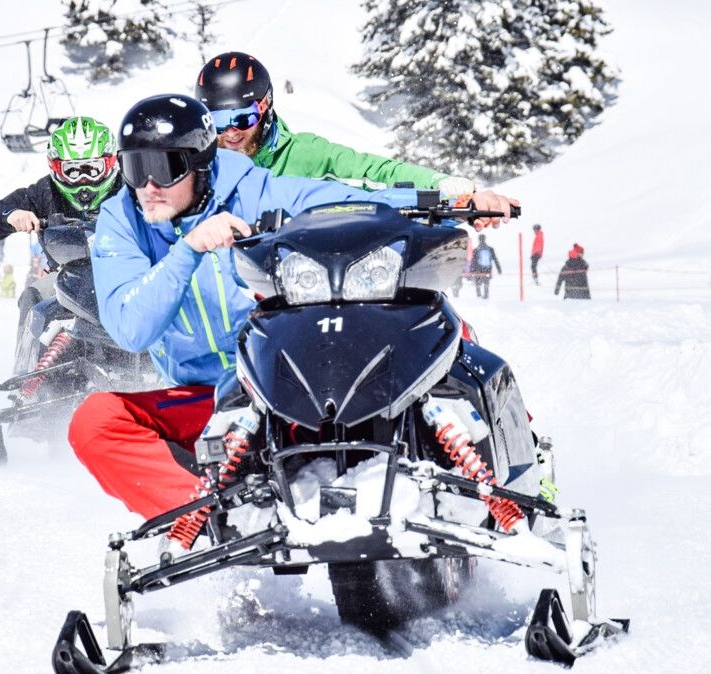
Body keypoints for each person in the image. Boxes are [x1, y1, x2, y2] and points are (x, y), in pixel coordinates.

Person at [67, 94, 517, 521]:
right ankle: (214, 521)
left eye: (165, 169)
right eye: (133, 168)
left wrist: (457, 203)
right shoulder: (121, 220)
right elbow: (130, 328)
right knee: (95, 423)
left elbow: (341, 196)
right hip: (211, 401)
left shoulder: (254, 192)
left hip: (291, 388)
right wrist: (188, 249)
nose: (147, 186)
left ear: (200, 163)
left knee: (429, 347)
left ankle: (480, 486)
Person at [194, 51, 478, 200]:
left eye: (243, 118)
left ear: (264, 106)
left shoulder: (302, 154)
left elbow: (372, 173)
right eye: (218, 121)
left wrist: (439, 185)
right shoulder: (202, 166)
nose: (230, 132)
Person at [0, 116, 123, 324]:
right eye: (72, 171)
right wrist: (11, 215)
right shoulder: (44, 192)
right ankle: (27, 356)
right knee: (32, 298)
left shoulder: (131, 186)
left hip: (129, 271)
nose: (82, 180)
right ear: (56, 168)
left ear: (109, 163)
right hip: (65, 278)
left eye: (92, 169)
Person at [470, 234, 502, 299]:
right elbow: (495, 259)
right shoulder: (490, 249)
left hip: (478, 271)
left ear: (479, 240)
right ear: (485, 239)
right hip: (487, 270)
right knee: (486, 285)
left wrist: (472, 270)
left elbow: (473, 261)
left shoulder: (476, 250)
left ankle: (479, 297)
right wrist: (499, 269)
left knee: (478, 285)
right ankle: (486, 297)